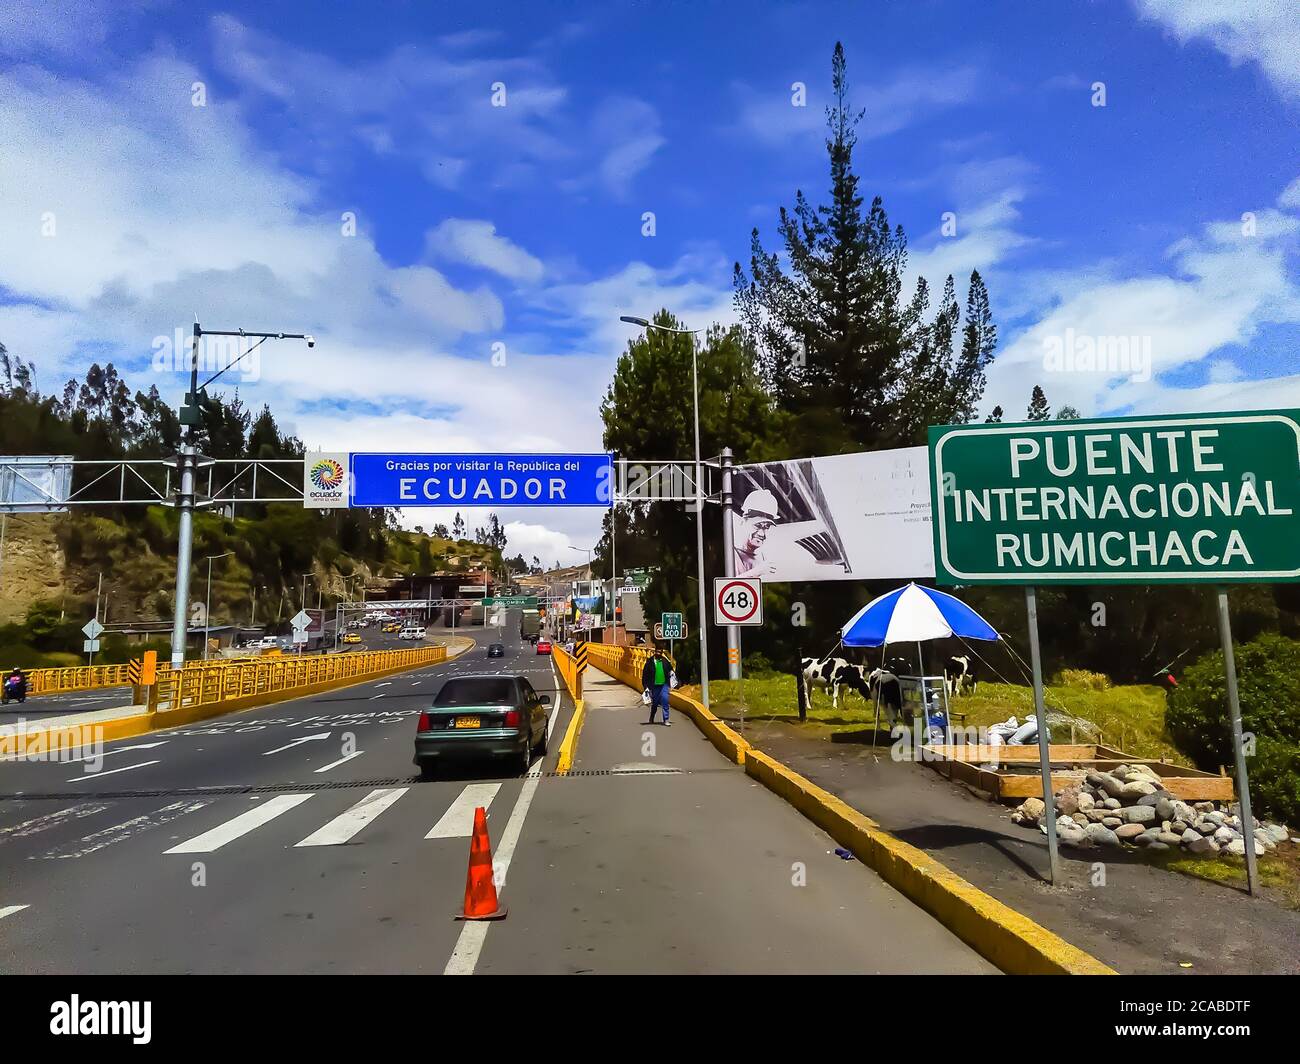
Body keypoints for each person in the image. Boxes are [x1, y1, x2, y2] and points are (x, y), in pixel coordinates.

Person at [733, 489, 780, 578]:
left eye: (767, 527)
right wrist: (756, 572)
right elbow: (725, 587)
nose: (762, 534)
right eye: (757, 525)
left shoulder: (763, 556)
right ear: (743, 522)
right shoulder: (731, 554)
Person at [640, 646, 676, 726]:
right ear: (655, 652)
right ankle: (652, 716)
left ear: (661, 653)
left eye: (660, 652)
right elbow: (645, 675)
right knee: (655, 703)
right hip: (654, 686)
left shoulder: (665, 661)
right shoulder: (650, 662)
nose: (658, 653)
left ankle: (666, 719)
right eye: (657, 652)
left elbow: (671, 670)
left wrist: (673, 680)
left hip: (664, 685)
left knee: (665, 701)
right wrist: (645, 686)